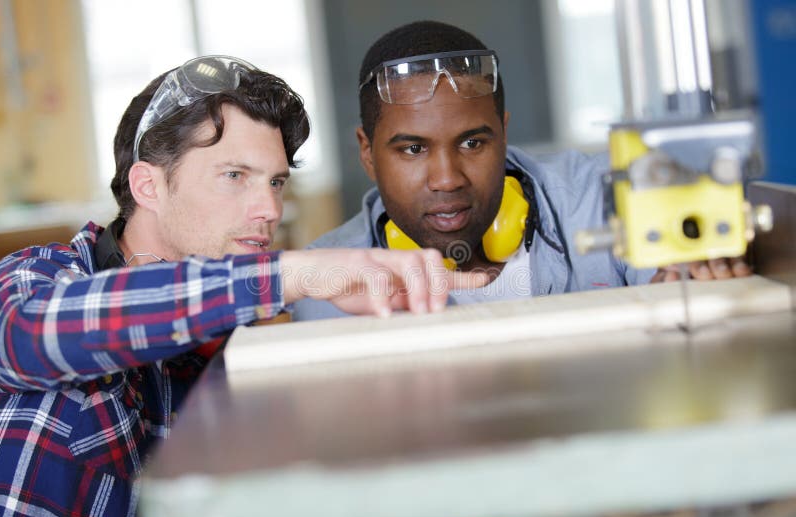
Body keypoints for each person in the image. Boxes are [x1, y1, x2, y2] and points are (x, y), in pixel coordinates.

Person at [0, 56, 483, 517]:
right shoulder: (37, 277)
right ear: (148, 186)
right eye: (235, 176)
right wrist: (290, 273)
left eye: (276, 182)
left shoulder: (240, 350)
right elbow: (27, 334)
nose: (270, 208)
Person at [292, 21, 752, 321]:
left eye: (473, 143)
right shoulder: (320, 284)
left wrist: (690, 281)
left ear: (504, 133)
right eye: (413, 149)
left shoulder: (601, 195)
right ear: (367, 153)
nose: (447, 178)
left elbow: (673, 284)